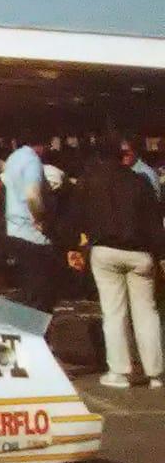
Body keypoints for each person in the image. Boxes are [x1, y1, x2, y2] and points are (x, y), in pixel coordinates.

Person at [63, 144, 165, 387]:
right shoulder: (140, 182)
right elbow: (154, 223)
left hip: (104, 252)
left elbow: (75, 218)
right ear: (122, 158)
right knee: (147, 312)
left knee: (113, 312)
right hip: (141, 254)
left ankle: (119, 372)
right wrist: (160, 254)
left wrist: (72, 246)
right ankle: (155, 374)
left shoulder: (89, 182)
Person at [0, 134, 59, 311]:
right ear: (42, 145)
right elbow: (32, 194)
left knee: (27, 288)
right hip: (31, 232)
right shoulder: (33, 161)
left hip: (13, 228)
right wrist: (40, 218)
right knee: (40, 293)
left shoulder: (13, 158)